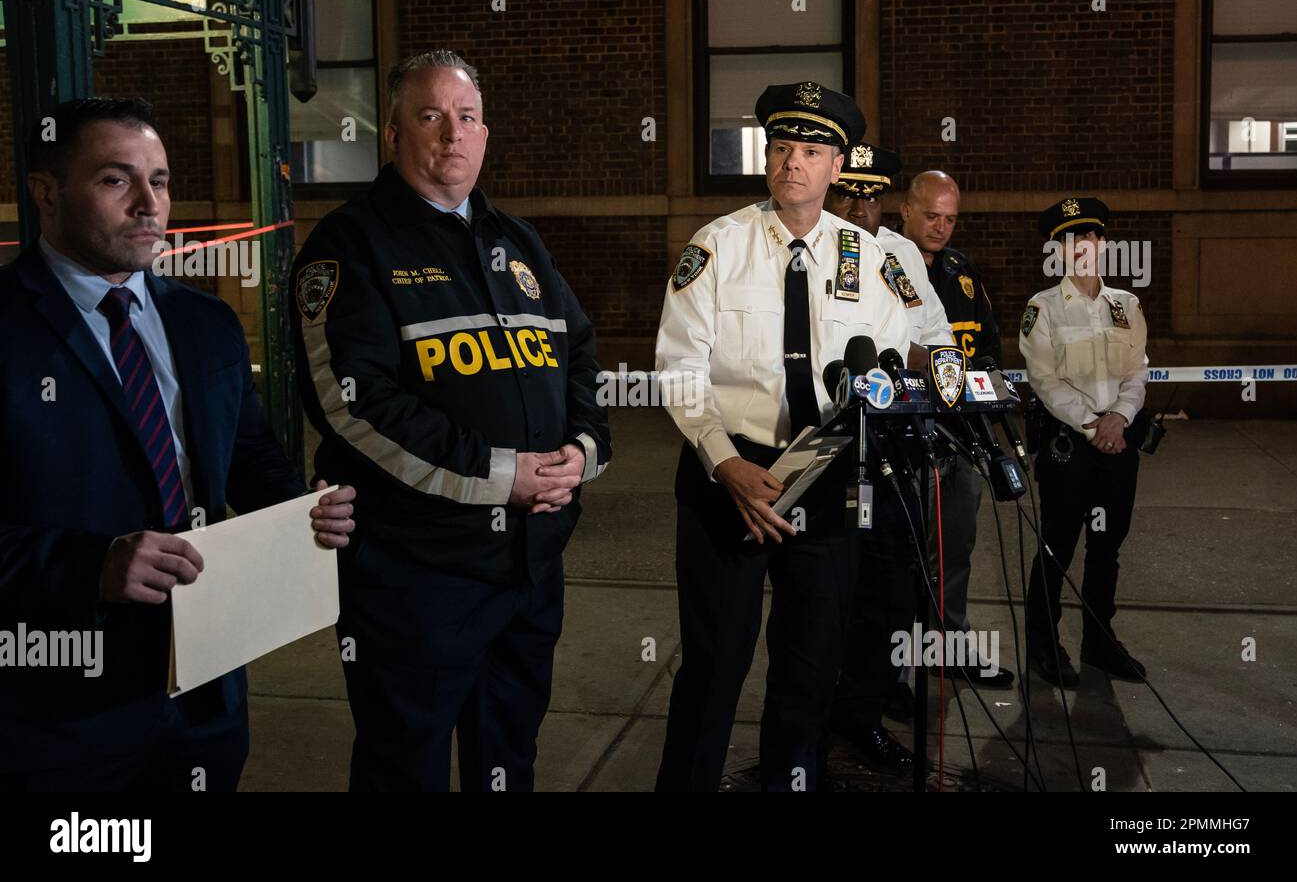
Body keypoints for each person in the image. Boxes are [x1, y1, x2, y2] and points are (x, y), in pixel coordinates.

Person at [0, 97, 354, 792]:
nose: (148, 204)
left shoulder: (206, 323)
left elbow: (248, 457)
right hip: (56, 712)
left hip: (206, 692)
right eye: (115, 180)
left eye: (158, 181)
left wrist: (298, 510)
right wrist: (90, 565)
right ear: (46, 192)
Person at [292, 50, 611, 792]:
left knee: (509, 761)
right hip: (415, 575)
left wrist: (580, 450)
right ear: (394, 135)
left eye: (465, 118)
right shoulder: (351, 244)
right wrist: (503, 474)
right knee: (406, 766)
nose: (451, 135)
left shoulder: (519, 241)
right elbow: (351, 400)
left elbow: (581, 356)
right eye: (430, 117)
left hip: (529, 566)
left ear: (485, 135)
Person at [655, 82, 909, 791]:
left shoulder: (868, 258)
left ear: (838, 167)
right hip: (726, 477)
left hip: (825, 478)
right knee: (714, 665)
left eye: (812, 150)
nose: (793, 161)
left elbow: (887, 365)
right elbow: (678, 370)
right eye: (781, 146)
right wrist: (725, 463)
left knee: (809, 665)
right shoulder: (716, 246)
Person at [822, 142, 953, 760]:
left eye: (872, 195)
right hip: (822, 443)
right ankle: (809, 715)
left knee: (889, 584)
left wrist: (935, 374)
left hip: (893, 443)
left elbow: (937, 338)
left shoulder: (902, 257)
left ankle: (864, 711)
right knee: (823, 586)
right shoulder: (806, 245)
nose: (860, 206)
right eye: (849, 192)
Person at [1020, 197, 1148, 688]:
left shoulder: (1126, 305)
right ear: (1057, 249)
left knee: (1106, 548)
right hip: (1069, 449)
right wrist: (1097, 426)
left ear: (1103, 243)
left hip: (1118, 446)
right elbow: (1045, 382)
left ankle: (1099, 641)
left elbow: (1138, 371)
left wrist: (1120, 418)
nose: (1082, 247)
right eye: (1070, 240)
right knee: (1057, 547)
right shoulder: (1043, 309)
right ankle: (1043, 645)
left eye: (1090, 237)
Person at [900, 170, 1013, 688]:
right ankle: (894, 668)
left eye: (950, 219)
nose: (941, 228)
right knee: (900, 554)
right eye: (931, 216)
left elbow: (987, 345)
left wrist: (986, 392)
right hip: (901, 435)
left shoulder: (963, 272)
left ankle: (949, 645)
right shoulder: (883, 264)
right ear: (906, 210)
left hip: (960, 434)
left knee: (954, 548)